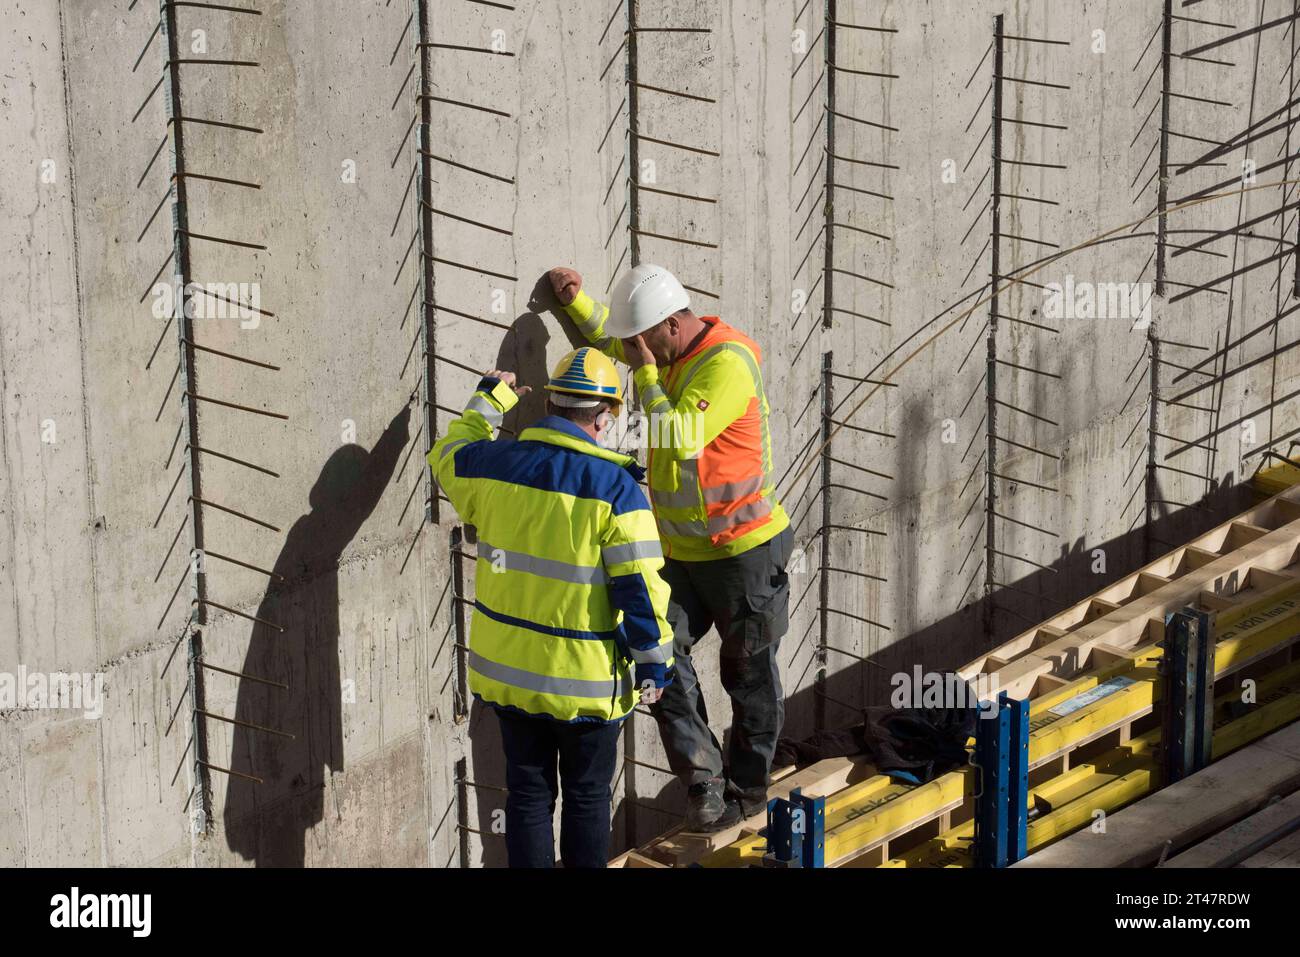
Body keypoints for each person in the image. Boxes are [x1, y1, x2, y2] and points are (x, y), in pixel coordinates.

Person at [547, 263, 793, 831]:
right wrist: (576, 302)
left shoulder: (729, 363)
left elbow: (677, 436)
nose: (634, 356)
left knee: (748, 673)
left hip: (744, 551)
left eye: (644, 345)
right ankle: (704, 780)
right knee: (654, 655)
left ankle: (749, 789)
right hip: (681, 555)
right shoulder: (657, 346)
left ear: (671, 326)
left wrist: (649, 377)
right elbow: (611, 337)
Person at [428, 348, 674, 866]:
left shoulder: (495, 465)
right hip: (585, 684)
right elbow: (642, 592)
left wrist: (487, 401)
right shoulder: (616, 490)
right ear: (603, 418)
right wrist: (656, 664)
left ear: (552, 404)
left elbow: (448, 455)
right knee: (586, 798)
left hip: (511, 676)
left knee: (529, 796)